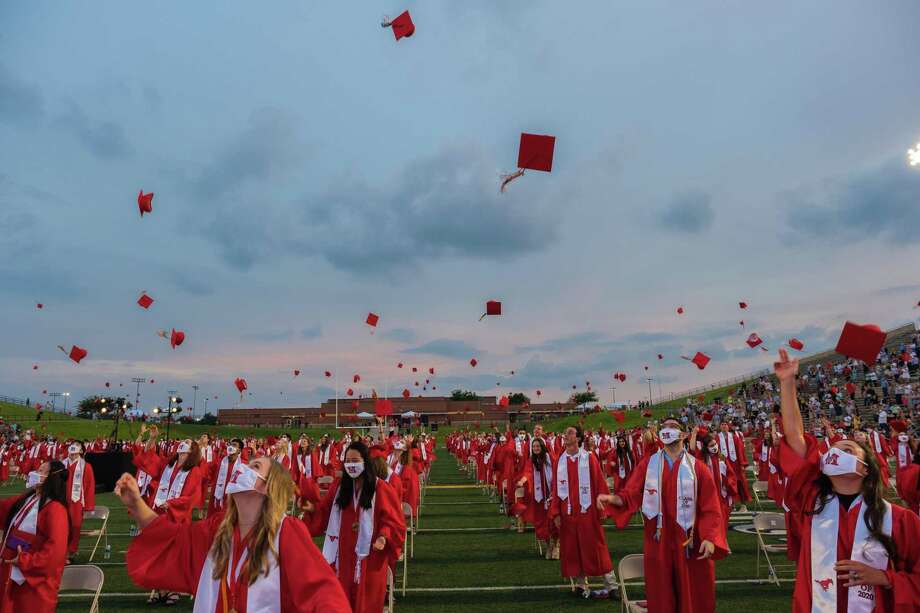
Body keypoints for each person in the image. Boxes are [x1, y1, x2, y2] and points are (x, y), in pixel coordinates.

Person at [774, 348, 920, 611]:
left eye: (848, 450)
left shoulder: (899, 519)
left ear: (865, 469)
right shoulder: (811, 504)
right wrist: (787, 383)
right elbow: (795, 437)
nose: (837, 452)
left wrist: (885, 578)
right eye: (834, 449)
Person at [118, 456, 350, 611]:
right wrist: (136, 503)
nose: (243, 469)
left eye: (255, 467)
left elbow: (321, 591)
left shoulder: (286, 531)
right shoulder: (214, 530)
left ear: (269, 486)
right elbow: (170, 538)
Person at [600, 418, 729, 612]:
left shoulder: (697, 468)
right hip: (658, 540)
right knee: (662, 595)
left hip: (689, 542)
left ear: (683, 435)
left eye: (673, 427)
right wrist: (614, 499)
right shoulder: (648, 464)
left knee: (692, 596)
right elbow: (631, 493)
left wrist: (710, 538)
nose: (667, 430)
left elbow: (711, 507)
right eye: (664, 427)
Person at [303, 441, 405, 613]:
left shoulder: (381, 488)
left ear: (365, 462)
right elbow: (324, 511)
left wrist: (383, 536)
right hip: (342, 556)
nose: (351, 465)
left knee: (367, 604)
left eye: (355, 460)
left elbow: (393, 520)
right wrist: (312, 508)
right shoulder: (339, 487)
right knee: (340, 602)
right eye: (348, 461)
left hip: (371, 557)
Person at [548, 425, 618, 599]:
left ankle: (611, 586)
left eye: (570, 432)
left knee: (597, 547)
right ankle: (581, 585)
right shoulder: (560, 461)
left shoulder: (589, 458)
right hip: (568, 513)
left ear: (578, 438)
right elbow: (556, 489)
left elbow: (599, 483)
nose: (566, 435)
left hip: (588, 511)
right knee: (573, 549)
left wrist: (602, 510)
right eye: (566, 432)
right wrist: (556, 512)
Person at [0, 460, 69, 612]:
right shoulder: (28, 498)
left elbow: (55, 553)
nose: (35, 473)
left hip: (33, 584)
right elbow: (3, 509)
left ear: (52, 477)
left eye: (41, 471)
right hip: (12, 576)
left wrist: (26, 561)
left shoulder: (55, 509)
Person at [516, 437, 558, 559]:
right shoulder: (531, 461)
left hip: (551, 494)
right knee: (541, 522)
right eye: (534, 447)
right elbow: (528, 473)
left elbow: (557, 473)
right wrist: (522, 481)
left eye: (538, 446)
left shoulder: (551, 459)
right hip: (538, 498)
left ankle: (556, 545)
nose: (536, 448)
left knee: (553, 522)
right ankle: (548, 546)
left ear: (543, 447)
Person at [62, 440, 95, 561]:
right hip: (61, 502)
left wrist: (88, 506)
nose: (74, 447)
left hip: (76, 502)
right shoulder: (61, 464)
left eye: (77, 445)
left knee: (75, 527)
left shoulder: (86, 466)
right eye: (72, 445)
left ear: (81, 451)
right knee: (62, 527)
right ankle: (61, 551)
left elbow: (89, 487)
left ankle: (70, 552)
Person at [207, 438, 243, 517]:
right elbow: (207, 471)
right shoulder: (219, 461)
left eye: (234, 445)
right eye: (230, 444)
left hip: (231, 501)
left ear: (239, 451)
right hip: (216, 499)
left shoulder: (242, 466)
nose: (231, 447)